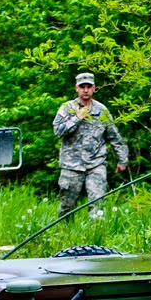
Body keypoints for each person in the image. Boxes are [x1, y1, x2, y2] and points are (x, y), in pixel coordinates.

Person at [52, 72, 128, 218]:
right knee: (67, 205)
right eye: (82, 87)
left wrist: (122, 160)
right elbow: (58, 131)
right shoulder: (67, 108)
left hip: (96, 164)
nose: (85, 90)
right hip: (71, 165)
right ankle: (64, 230)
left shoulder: (102, 110)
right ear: (76, 88)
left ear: (94, 88)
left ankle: (96, 230)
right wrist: (77, 118)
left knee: (97, 203)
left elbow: (114, 136)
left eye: (89, 86)